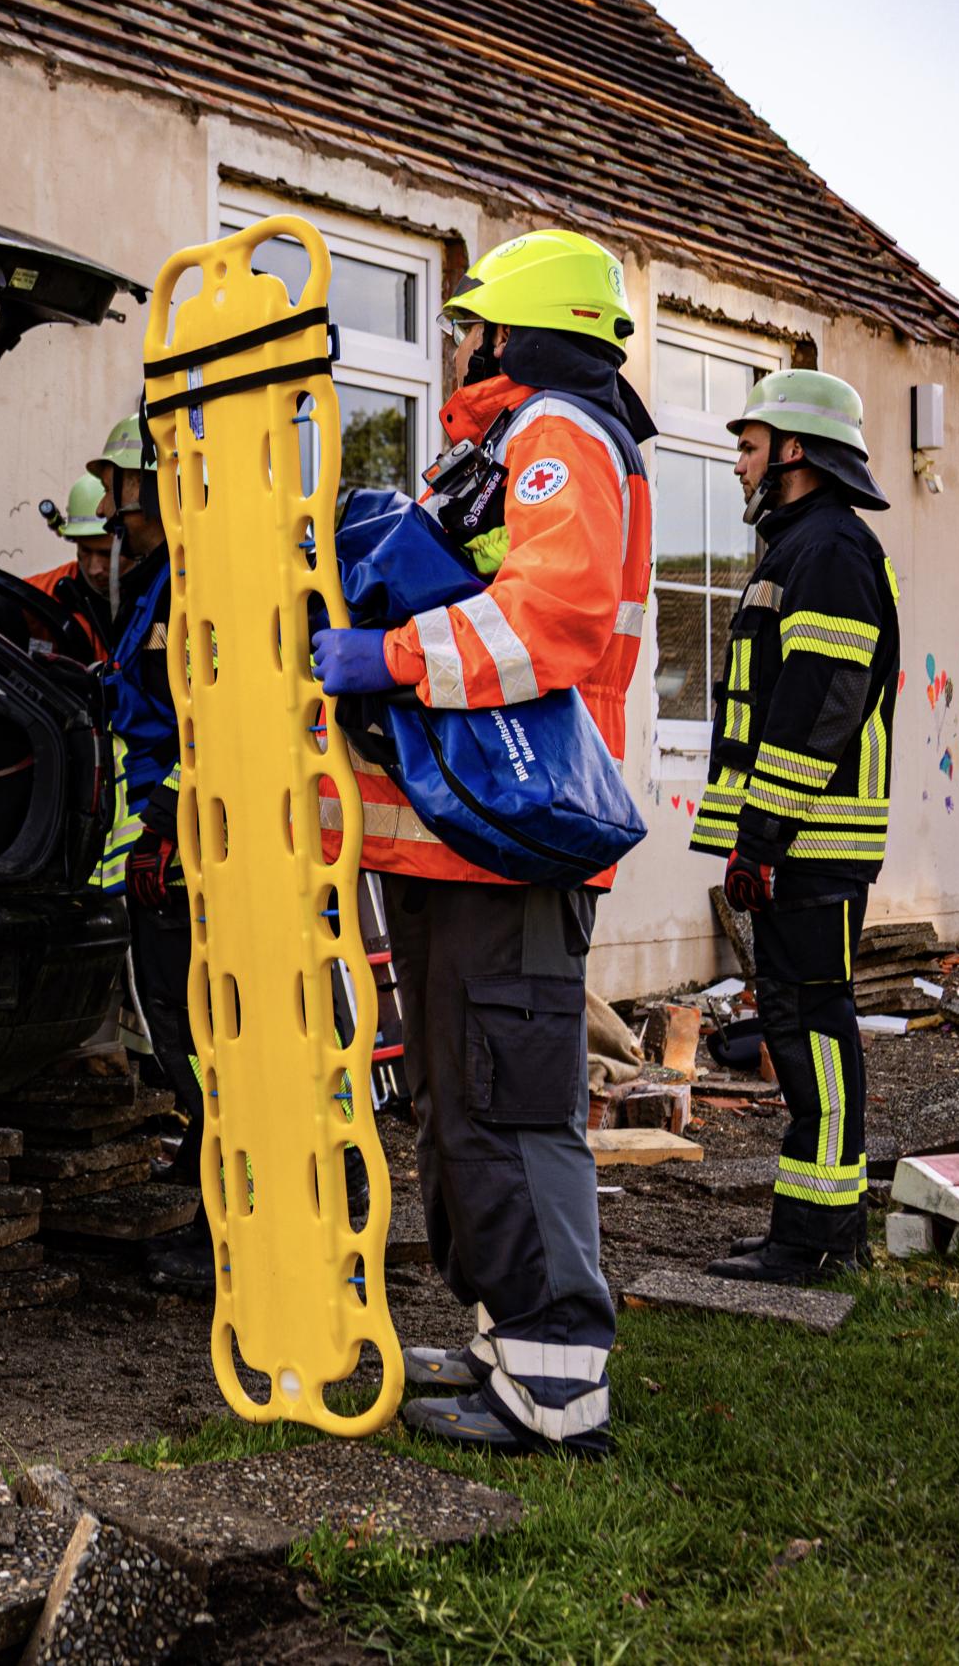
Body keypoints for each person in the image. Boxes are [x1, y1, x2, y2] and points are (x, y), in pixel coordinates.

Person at [311, 229, 655, 1458]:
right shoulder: (507, 442)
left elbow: (547, 622)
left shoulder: (554, 436)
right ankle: (515, 1357)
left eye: (469, 322)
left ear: (504, 330)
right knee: (469, 1108)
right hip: (467, 845)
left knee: (507, 1112)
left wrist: (388, 655)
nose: (457, 339)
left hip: (503, 843)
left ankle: (557, 1388)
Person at [690, 370, 899, 1285]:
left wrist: (762, 837)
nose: (739, 466)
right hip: (795, 844)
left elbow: (818, 707)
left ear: (795, 453)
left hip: (810, 846)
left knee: (814, 1025)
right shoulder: (801, 551)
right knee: (801, 1026)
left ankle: (812, 1239)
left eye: (749, 446)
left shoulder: (829, 554)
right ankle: (816, 1227)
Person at [90, 413, 214, 1294]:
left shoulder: (193, 591)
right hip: (165, 842)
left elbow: (208, 721)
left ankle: (226, 1234)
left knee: (204, 1041)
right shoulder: (158, 583)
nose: (109, 511)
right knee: (184, 1039)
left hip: (185, 848)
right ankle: (212, 1187)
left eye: (119, 491)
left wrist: (167, 825)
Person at [21, 471, 119, 667]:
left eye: (106, 554)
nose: (93, 569)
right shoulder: (39, 596)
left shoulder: (161, 601)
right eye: (85, 550)